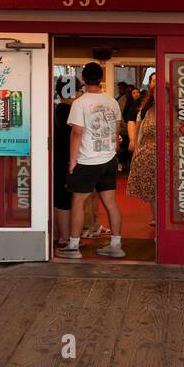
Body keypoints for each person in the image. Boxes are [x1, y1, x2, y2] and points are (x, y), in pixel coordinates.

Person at [56, 62, 124, 259]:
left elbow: (76, 133)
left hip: (87, 160)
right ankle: (116, 245)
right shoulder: (112, 101)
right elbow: (116, 129)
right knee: (111, 203)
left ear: (84, 79)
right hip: (109, 158)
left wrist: (72, 161)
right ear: (101, 78)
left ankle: (73, 247)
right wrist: (113, 151)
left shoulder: (80, 103)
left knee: (78, 200)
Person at [126, 72, 157, 223]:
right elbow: (136, 126)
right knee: (151, 189)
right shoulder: (145, 109)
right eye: (153, 81)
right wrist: (134, 145)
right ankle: (156, 217)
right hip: (148, 154)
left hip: (171, 154)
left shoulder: (177, 108)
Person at [52, 78, 76, 250]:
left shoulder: (60, 109)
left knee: (62, 197)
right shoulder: (64, 109)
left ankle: (60, 234)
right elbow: (69, 136)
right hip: (64, 160)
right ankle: (64, 237)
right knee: (63, 198)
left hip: (62, 159)